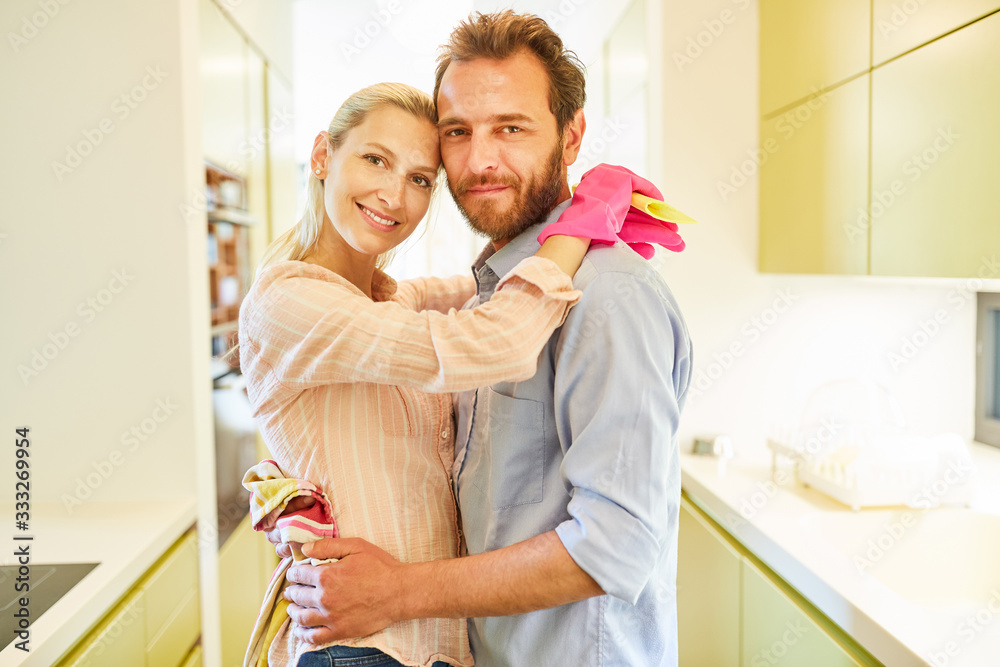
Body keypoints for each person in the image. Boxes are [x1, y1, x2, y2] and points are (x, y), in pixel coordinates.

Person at [281, 11, 693, 667]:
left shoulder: (609, 295)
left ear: (572, 135)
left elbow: (612, 543)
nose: (480, 159)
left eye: (511, 128)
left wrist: (396, 592)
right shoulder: (496, 293)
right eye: (458, 132)